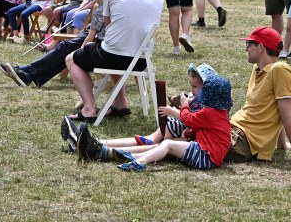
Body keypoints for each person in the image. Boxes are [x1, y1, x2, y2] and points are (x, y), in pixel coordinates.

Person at [65, 0, 164, 122]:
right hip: (140, 61)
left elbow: (108, 24)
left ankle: (89, 108)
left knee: (71, 59)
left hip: (113, 57)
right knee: (118, 46)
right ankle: (120, 103)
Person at [61, 63, 220, 156]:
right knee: (152, 139)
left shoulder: (210, 108)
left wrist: (179, 108)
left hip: (195, 143)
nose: (192, 90)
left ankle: (101, 150)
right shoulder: (202, 101)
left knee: (157, 146)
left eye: (195, 87)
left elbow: (192, 120)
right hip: (188, 134)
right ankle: (97, 143)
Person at [227, 26, 291, 166]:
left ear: (261, 47)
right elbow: (274, 110)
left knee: (196, 141)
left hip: (244, 140)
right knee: (190, 125)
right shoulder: (258, 68)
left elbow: (287, 115)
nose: (246, 49)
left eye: (249, 44)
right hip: (232, 128)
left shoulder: (280, 70)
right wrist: (282, 144)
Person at [0, 0, 113, 88]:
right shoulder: (112, 6)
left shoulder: (100, 9)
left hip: (97, 44)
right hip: (102, 43)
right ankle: (28, 74)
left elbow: (91, 36)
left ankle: (27, 71)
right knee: (65, 48)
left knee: (65, 47)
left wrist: (81, 53)